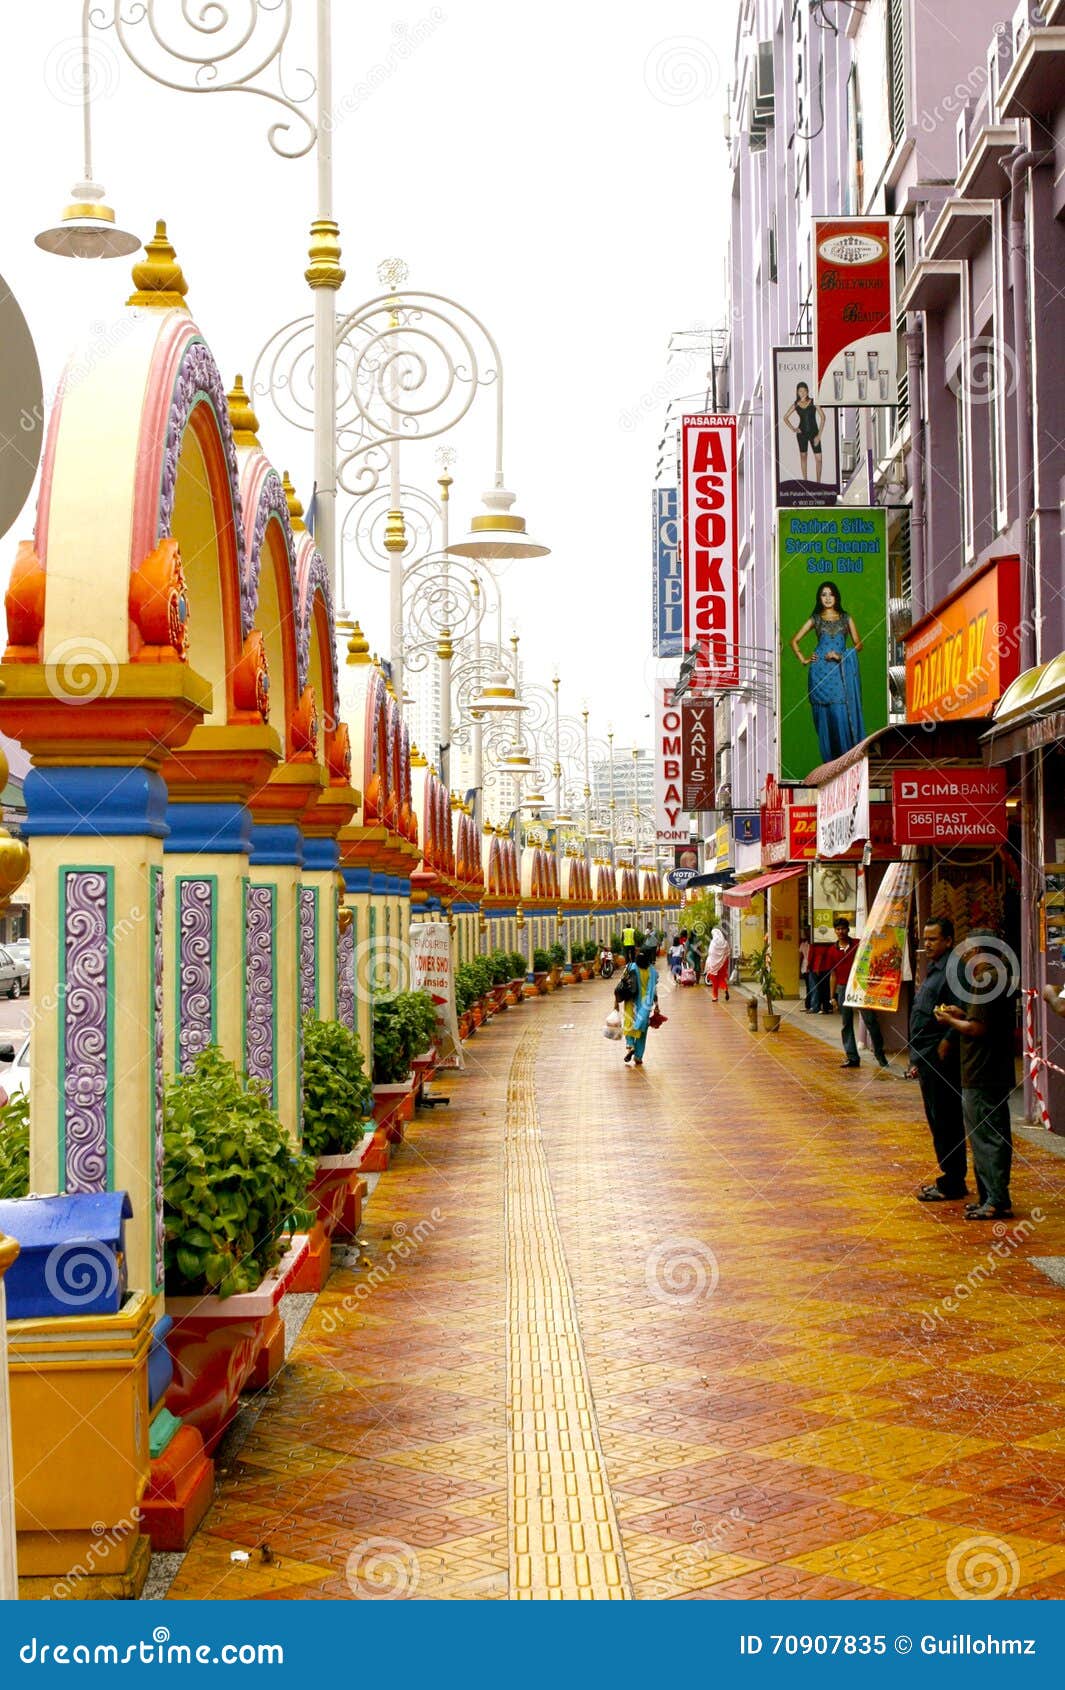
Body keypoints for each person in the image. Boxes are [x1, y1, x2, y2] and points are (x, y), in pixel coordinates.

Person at [935, 932, 1018, 1220]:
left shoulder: (989, 981)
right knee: (987, 1134)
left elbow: (976, 1030)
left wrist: (949, 1021)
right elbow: (979, 1020)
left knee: (987, 1137)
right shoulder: (994, 979)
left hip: (982, 1072)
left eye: (968, 952)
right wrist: (961, 1013)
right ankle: (990, 1196)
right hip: (987, 1071)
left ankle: (995, 1199)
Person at [909, 918, 968, 1203]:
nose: (928, 944)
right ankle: (950, 1176)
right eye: (925, 939)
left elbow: (961, 1013)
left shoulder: (953, 971)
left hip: (940, 1058)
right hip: (926, 1057)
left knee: (946, 1120)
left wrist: (946, 1042)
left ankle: (953, 1181)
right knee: (937, 1119)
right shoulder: (934, 970)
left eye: (933, 939)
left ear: (948, 940)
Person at [789, 581, 865, 763]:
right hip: (819, 673)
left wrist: (841, 656)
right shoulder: (815, 619)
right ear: (819, 598)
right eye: (824, 594)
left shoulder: (846, 618)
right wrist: (804, 659)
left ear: (836, 596)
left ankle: (846, 761)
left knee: (840, 714)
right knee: (823, 719)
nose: (828, 598)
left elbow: (859, 644)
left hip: (840, 673)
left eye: (831, 594)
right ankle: (829, 764)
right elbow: (794, 641)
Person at [830, 917, 889, 1072]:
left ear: (848, 929)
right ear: (834, 931)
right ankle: (852, 1057)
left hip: (859, 987)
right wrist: (832, 996)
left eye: (843, 928)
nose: (840, 932)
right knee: (846, 1023)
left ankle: (880, 1055)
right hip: (843, 989)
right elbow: (833, 975)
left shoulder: (858, 944)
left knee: (871, 1021)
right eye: (837, 929)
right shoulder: (832, 950)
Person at [621, 943, 660, 1068]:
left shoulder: (631, 966)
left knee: (628, 1022)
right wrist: (657, 1005)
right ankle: (638, 1056)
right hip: (644, 1006)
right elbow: (653, 991)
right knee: (642, 1031)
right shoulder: (652, 972)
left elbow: (622, 982)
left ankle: (630, 1044)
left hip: (630, 1002)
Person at [782, 380, 825, 483]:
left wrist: (819, 436)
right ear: (797, 392)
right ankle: (805, 481)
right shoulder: (796, 404)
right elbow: (785, 417)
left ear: (807, 391)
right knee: (803, 456)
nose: (802, 393)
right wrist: (793, 428)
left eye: (804, 390)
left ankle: (818, 482)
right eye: (800, 391)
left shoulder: (814, 401)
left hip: (814, 433)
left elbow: (823, 417)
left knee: (818, 459)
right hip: (802, 434)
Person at [704, 925, 731, 1002]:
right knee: (721, 978)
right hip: (722, 964)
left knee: (715, 981)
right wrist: (724, 963)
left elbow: (710, 953)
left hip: (714, 966)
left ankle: (715, 997)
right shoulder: (725, 942)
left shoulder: (713, 943)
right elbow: (728, 953)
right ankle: (725, 988)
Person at [799, 926, 813, 1011]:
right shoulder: (804, 944)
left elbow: (800, 957)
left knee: (809, 987)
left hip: (808, 967)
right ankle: (808, 1005)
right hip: (806, 968)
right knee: (809, 987)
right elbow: (800, 957)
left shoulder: (806, 944)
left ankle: (809, 1005)